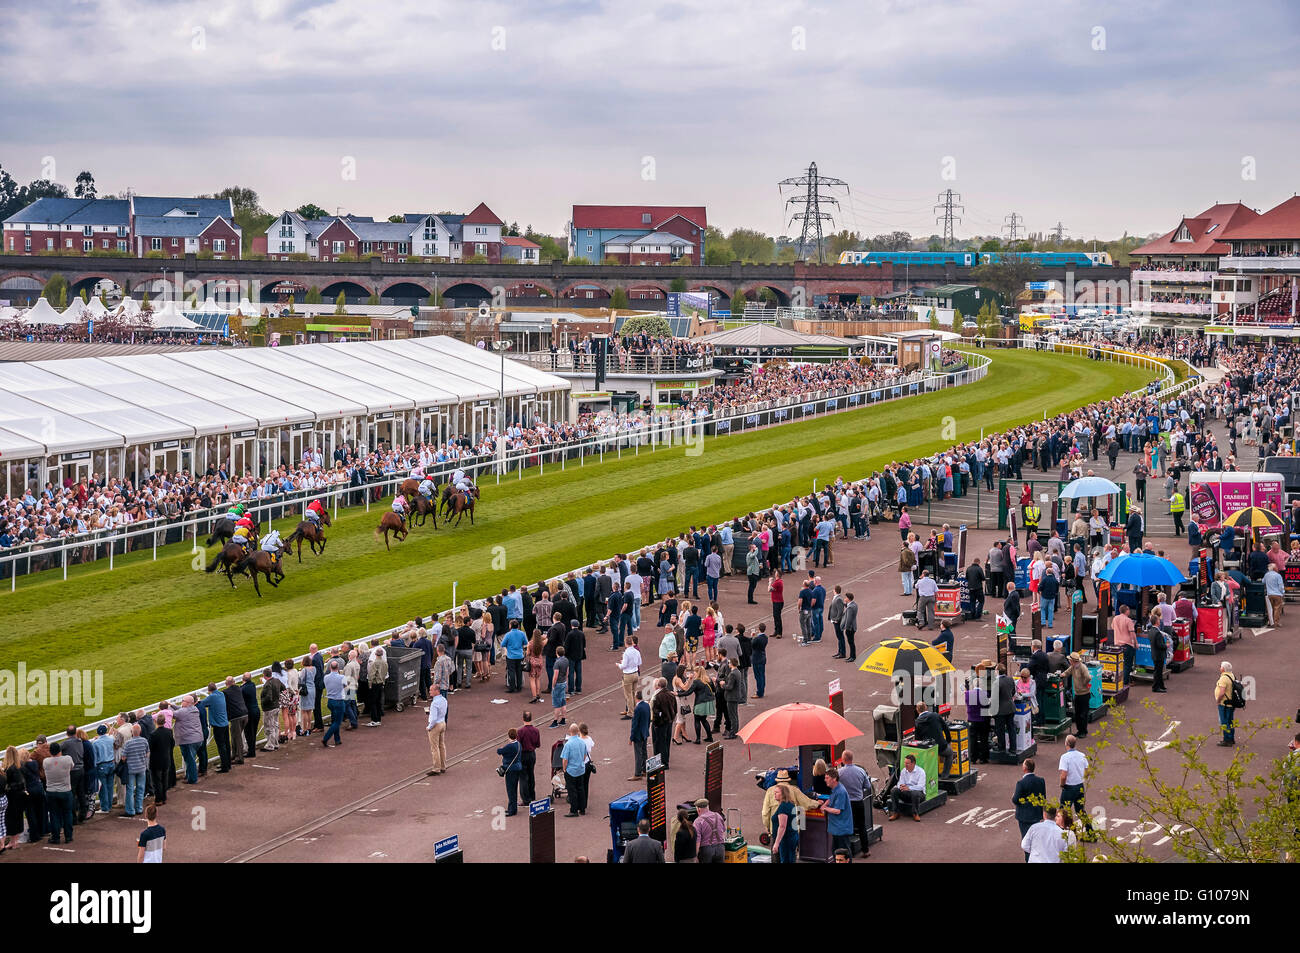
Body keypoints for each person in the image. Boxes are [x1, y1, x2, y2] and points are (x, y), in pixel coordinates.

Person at [837, 751, 872, 857]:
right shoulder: (861, 771)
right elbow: (868, 786)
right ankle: (865, 850)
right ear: (852, 759)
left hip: (846, 804)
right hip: (858, 802)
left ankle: (847, 851)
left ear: (843, 760)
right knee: (861, 826)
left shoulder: (839, 772)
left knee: (846, 827)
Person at [1012, 758, 1047, 861]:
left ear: (1025, 768)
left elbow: (1016, 800)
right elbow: (1043, 798)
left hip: (1024, 817)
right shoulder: (1041, 780)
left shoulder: (1021, 783)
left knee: (1027, 842)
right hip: (1037, 815)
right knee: (1036, 840)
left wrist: (1014, 797)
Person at [822, 767, 855, 855]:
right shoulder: (836, 788)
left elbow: (837, 811)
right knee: (835, 852)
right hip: (837, 828)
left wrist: (825, 808)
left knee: (844, 854)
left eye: (827, 778)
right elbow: (831, 798)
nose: (825, 780)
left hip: (841, 829)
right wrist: (825, 803)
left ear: (834, 779)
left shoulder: (840, 792)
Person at [561, 724, 589, 817]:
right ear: (578, 731)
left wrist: (564, 769)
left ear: (570, 731)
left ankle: (573, 810)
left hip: (571, 770)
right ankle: (582, 809)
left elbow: (565, 759)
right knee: (581, 789)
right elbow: (585, 756)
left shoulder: (568, 744)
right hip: (580, 769)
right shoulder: (582, 742)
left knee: (572, 791)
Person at [888, 753, 926, 822]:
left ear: (913, 763)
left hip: (919, 794)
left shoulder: (921, 772)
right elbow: (900, 782)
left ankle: (915, 813)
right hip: (906, 792)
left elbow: (920, 787)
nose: (905, 765)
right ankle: (896, 812)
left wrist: (909, 788)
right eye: (905, 763)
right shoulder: (903, 771)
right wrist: (901, 786)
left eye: (907, 763)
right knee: (894, 790)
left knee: (915, 793)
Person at [1058, 734, 1088, 816]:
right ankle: (1089, 828)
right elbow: (1087, 771)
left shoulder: (1064, 757)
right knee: (1080, 810)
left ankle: (1062, 827)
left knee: (1063, 811)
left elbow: (1063, 775)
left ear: (1066, 743)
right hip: (1080, 785)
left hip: (1069, 787)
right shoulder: (1082, 755)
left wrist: (1062, 784)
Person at [769, 784, 799, 863]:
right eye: (774, 792)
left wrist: (776, 843)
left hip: (786, 840)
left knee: (786, 860)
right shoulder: (790, 803)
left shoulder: (783, 807)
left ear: (783, 794)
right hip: (791, 837)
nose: (774, 794)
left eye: (777, 792)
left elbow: (782, 826)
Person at [497, 728, 523, 816]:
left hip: (510, 769)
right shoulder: (518, 744)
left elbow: (499, 751)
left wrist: (501, 748)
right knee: (514, 789)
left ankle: (512, 810)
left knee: (510, 790)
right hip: (517, 768)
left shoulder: (509, 746)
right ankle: (512, 807)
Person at [1110, 604, 1137, 684]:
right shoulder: (1128, 620)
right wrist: (1135, 643)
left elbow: (1112, 627)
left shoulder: (1115, 618)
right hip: (1127, 645)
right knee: (1127, 665)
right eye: (1128, 610)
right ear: (1126, 610)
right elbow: (1132, 633)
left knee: (1119, 664)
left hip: (1117, 645)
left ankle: (1118, 681)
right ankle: (1125, 682)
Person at [694, 797, 726, 863]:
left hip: (706, 850)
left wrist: (695, 856)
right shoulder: (718, 816)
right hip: (720, 848)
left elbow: (697, 841)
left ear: (698, 809)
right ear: (708, 806)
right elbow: (723, 831)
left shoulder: (698, 821)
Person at [426, 684, 448, 775]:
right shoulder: (444, 700)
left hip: (436, 725)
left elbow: (434, 718)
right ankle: (443, 766)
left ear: (437, 691)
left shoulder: (434, 703)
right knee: (441, 745)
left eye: (431, 690)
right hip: (443, 723)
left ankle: (436, 768)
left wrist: (429, 727)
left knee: (434, 748)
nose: (430, 692)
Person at [628, 690, 650, 780]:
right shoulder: (647, 705)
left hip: (638, 735)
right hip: (645, 732)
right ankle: (645, 770)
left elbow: (635, 725)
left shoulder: (637, 708)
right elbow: (649, 719)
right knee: (644, 752)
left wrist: (631, 737)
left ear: (636, 697)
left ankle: (637, 774)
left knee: (638, 754)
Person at [1214, 661, 1236, 747]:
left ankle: (1227, 739)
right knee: (1230, 721)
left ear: (1223, 669)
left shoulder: (1224, 678)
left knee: (1224, 721)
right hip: (1231, 702)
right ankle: (1231, 738)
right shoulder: (1231, 675)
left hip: (1224, 703)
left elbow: (1222, 692)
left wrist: (1218, 700)